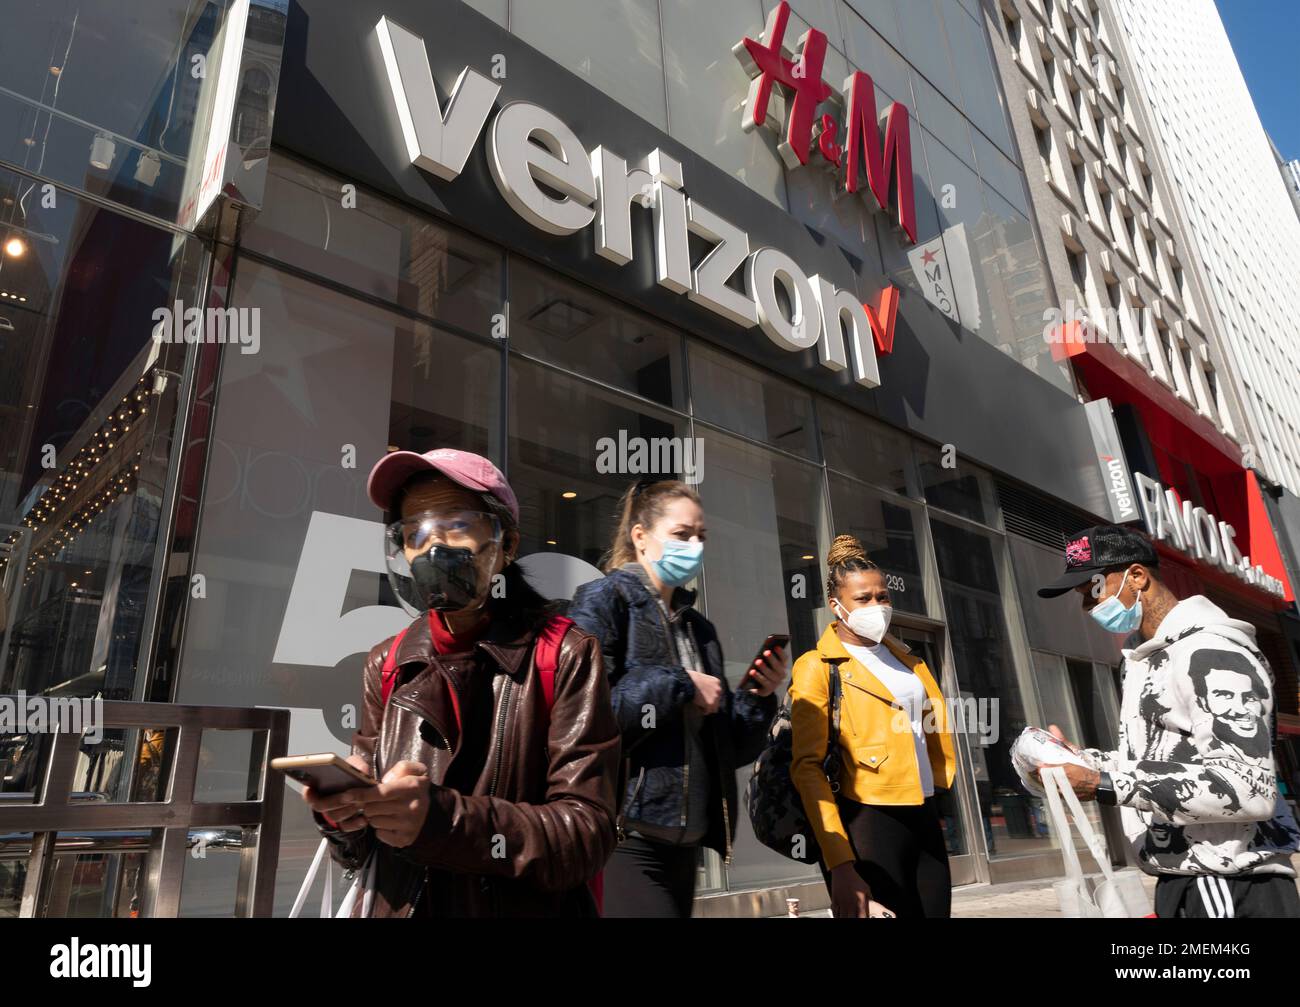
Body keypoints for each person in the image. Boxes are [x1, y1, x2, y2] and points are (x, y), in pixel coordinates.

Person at [301, 448, 620, 917]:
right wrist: (342, 816)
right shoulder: (386, 662)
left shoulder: (564, 653)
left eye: (456, 523)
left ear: (506, 544)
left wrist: (442, 821)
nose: (432, 545)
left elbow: (586, 833)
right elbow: (360, 845)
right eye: (415, 531)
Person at [1034, 524, 1300, 918]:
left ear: (1137, 576)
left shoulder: (1209, 651)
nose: (1087, 607)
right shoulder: (1145, 658)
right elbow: (1168, 760)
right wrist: (1086, 764)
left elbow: (1247, 788)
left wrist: (1105, 785)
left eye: (1092, 591)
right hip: (1188, 877)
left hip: (1230, 881)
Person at [566, 478, 786, 917]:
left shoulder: (698, 628)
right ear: (641, 537)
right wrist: (680, 682)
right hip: (625, 834)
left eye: (701, 536)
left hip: (686, 842)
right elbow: (584, 710)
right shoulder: (606, 599)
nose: (695, 546)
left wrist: (759, 698)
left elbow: (730, 749)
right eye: (682, 535)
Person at [789, 534, 957, 919]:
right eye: (863, 599)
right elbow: (807, 768)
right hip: (866, 818)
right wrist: (839, 864)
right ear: (836, 606)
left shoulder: (910, 661)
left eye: (882, 597)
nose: (877, 606)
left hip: (924, 810)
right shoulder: (818, 666)